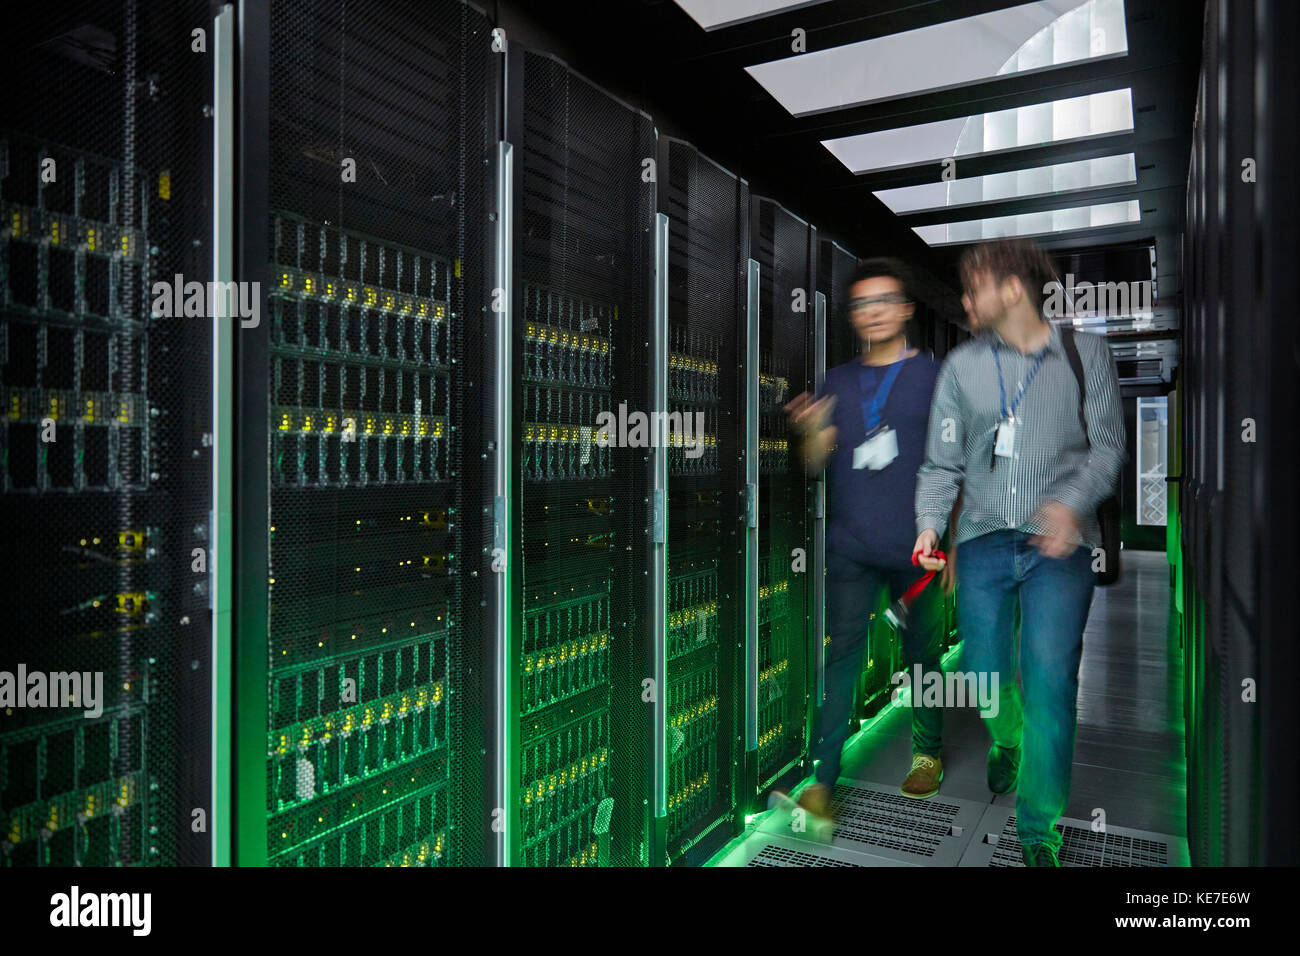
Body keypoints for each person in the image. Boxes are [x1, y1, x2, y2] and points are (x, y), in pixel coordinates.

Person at [913, 238, 1125, 866]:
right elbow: (941, 461)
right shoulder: (961, 368)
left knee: (1052, 684)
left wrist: (1071, 503)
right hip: (980, 542)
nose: (965, 300)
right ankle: (1007, 739)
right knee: (984, 679)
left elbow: (1109, 448)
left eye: (973, 286)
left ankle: (1039, 829)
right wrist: (929, 525)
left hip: (1060, 548)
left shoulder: (1087, 354)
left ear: (1011, 289)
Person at [778, 257, 955, 829]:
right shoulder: (838, 380)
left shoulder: (934, 377)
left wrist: (957, 541)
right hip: (850, 544)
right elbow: (813, 465)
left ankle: (927, 751)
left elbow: (956, 463)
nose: (872, 312)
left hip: (916, 546)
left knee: (923, 654)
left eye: (883, 301)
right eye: (860, 304)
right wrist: (809, 431)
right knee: (840, 656)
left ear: (904, 309)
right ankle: (822, 782)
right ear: (853, 316)